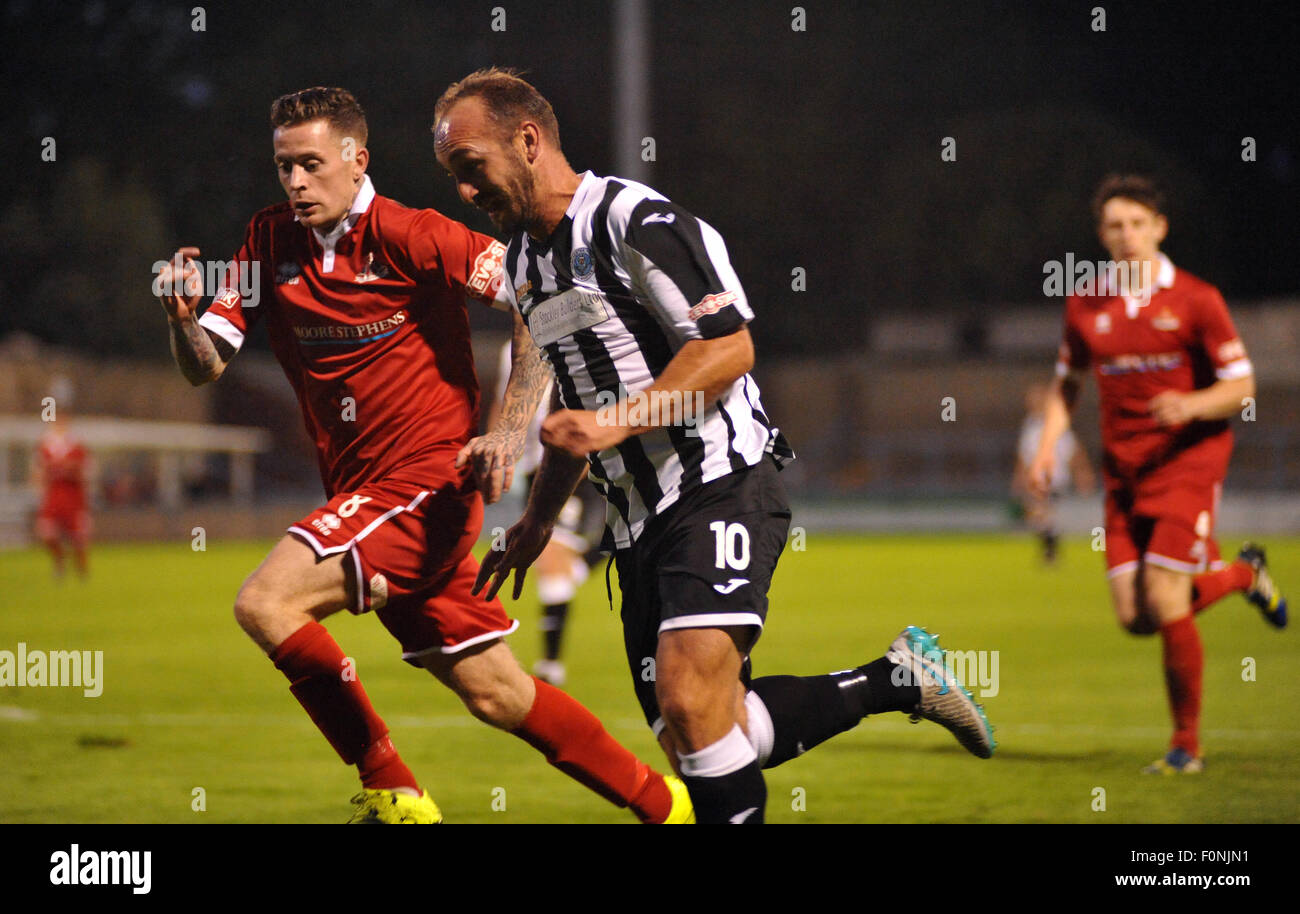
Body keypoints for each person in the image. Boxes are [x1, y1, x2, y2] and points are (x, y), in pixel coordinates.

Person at [433, 68, 996, 824]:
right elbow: (577, 404)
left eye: (470, 170)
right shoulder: (530, 262)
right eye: (453, 178)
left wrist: (613, 423)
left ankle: (895, 682)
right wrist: (537, 522)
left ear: (527, 141)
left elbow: (727, 351)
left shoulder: (637, 221)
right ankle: (896, 681)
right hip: (635, 523)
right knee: (705, 731)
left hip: (718, 481)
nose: (465, 193)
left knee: (691, 702)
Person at [153, 86, 691, 823]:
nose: (296, 183)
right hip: (365, 500)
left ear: (356, 159)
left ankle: (394, 792)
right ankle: (667, 805)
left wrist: (510, 428)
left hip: (427, 486)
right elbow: (205, 364)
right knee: (498, 693)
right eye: (285, 167)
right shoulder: (266, 242)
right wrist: (184, 319)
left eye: (311, 164)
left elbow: (537, 294)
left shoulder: (415, 234)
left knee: (266, 601)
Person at [1029, 174, 1288, 774]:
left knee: (1166, 594)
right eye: (1115, 225)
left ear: (1159, 228)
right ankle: (1244, 574)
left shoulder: (1196, 299)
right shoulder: (1086, 301)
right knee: (1136, 617)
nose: (1127, 235)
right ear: (1101, 234)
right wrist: (1047, 450)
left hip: (1187, 467)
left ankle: (1185, 747)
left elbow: (1242, 385)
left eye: (1138, 224)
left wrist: (1193, 405)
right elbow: (1067, 384)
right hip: (1125, 474)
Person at [489, 340, 604, 686]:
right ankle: (596, 561)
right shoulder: (510, 347)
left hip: (570, 461)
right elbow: (505, 400)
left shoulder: (578, 337)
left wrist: (582, 459)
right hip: (532, 467)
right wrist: (497, 444)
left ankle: (551, 665)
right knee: (556, 563)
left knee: (550, 558)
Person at [1011, 381, 1095, 563]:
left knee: (1041, 513)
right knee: (1039, 515)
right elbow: (1024, 455)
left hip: (1053, 477)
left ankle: (1051, 550)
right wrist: (1019, 476)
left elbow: (1074, 450)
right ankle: (1051, 548)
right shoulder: (1030, 425)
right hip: (1036, 477)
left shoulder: (1055, 424)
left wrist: (1082, 472)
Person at [34, 409, 91, 580]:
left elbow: (85, 472)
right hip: (53, 497)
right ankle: (60, 561)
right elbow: (37, 473)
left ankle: (81, 569)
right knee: (47, 532)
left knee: (78, 538)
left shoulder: (77, 446)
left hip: (74, 498)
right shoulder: (45, 445)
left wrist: (70, 470)